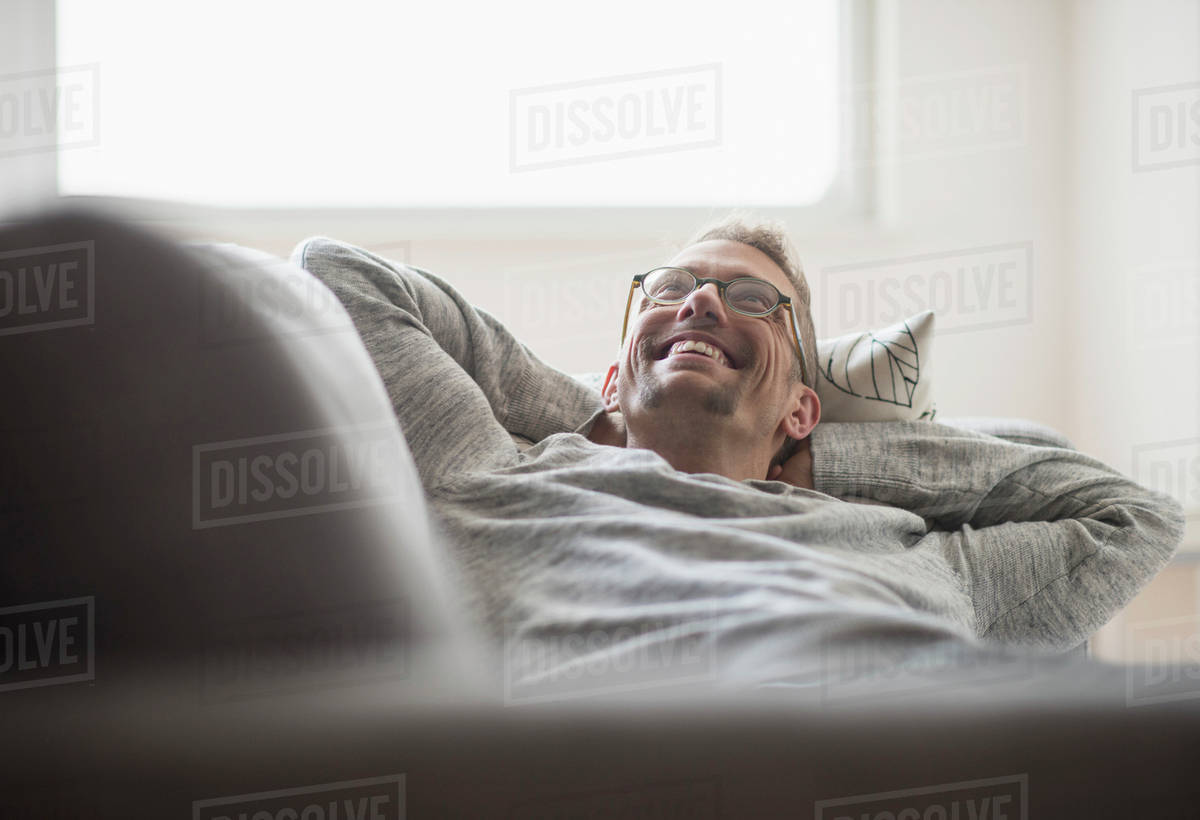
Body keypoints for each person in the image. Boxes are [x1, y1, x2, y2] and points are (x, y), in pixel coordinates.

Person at [293, 213, 1184, 693]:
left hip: (918, 745)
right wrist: (606, 417)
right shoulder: (497, 471)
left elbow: (1135, 516)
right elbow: (341, 272)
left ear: (804, 407)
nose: (702, 303)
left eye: (751, 298)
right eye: (672, 291)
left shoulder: (911, 544)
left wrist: (827, 461)